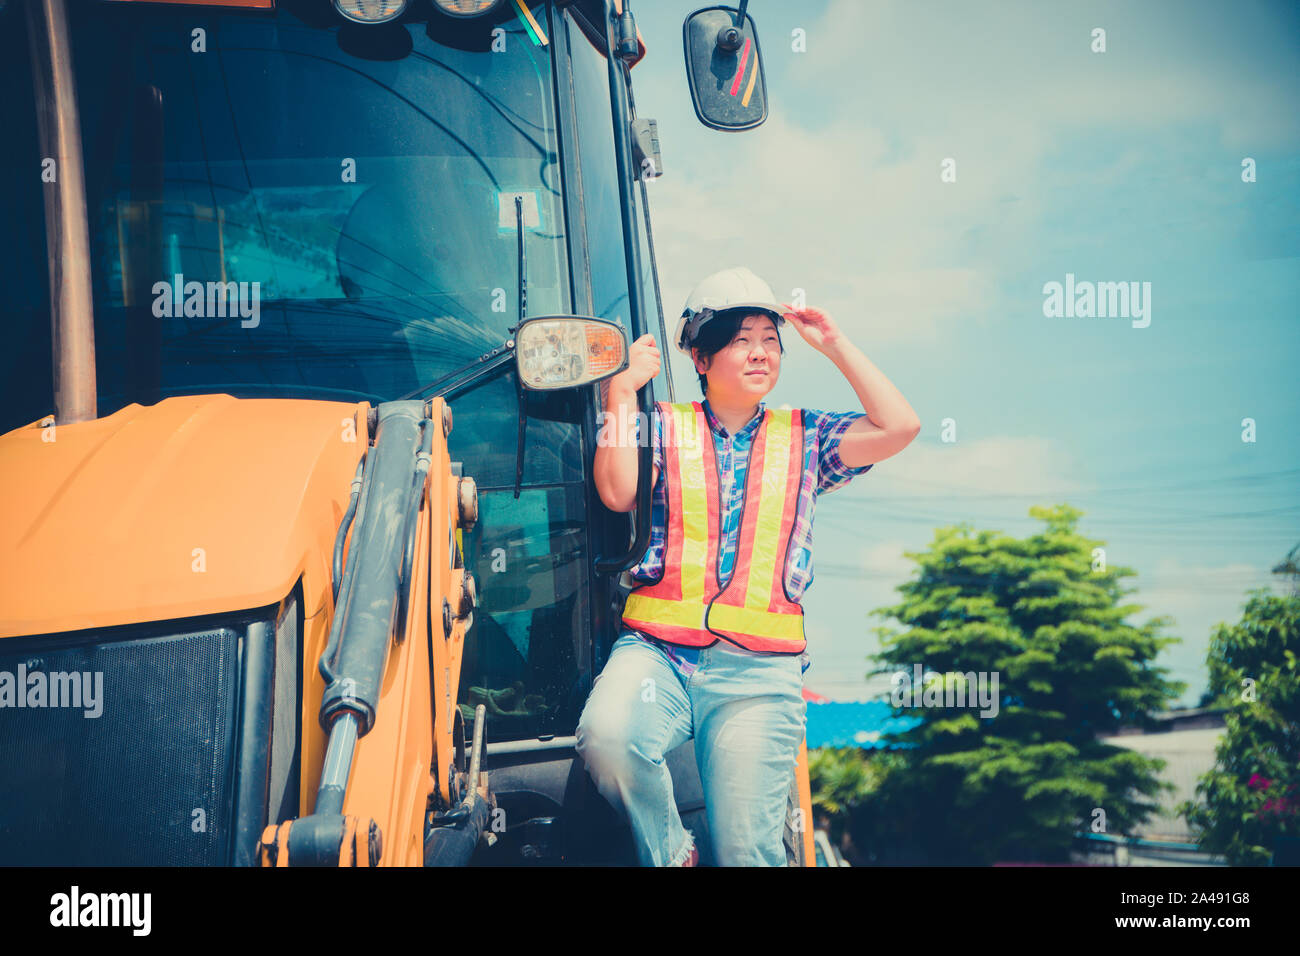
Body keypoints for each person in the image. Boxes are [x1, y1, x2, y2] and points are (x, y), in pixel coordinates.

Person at [577, 266, 921, 866]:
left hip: (759, 674)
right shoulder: (662, 426)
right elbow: (615, 489)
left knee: (747, 855)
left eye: (770, 339)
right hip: (659, 652)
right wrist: (620, 392)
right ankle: (672, 851)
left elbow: (901, 426)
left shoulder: (806, 437)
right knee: (608, 737)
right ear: (700, 357)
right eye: (741, 339)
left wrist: (836, 344)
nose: (760, 351)